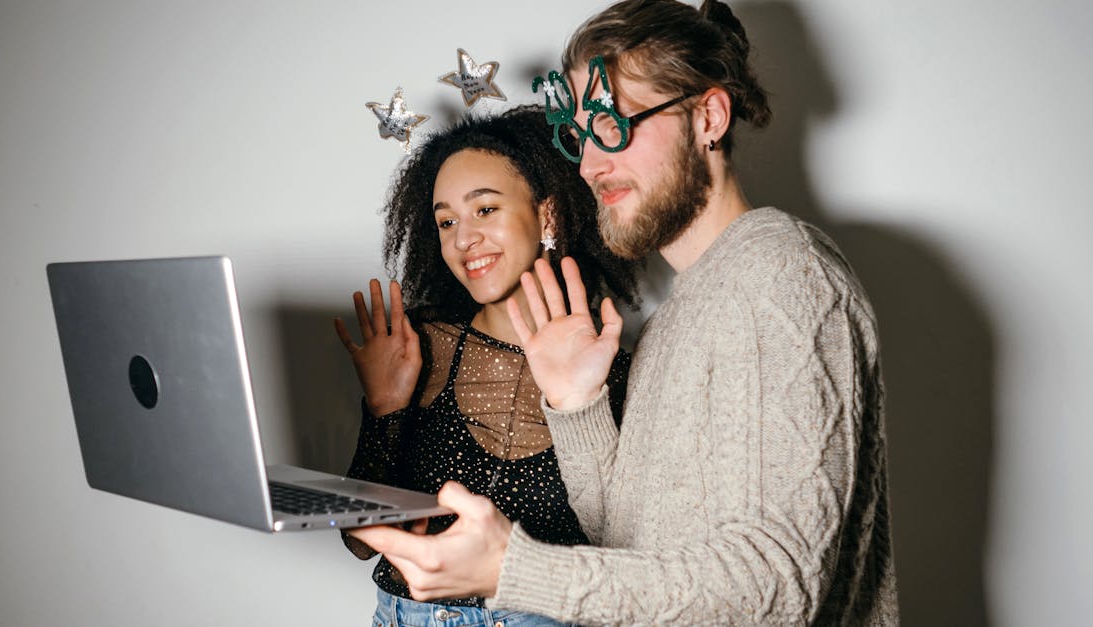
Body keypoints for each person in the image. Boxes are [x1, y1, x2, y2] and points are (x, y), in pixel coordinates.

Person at [350, 0, 900, 624]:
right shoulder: (678, 316)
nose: (589, 164)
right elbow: (624, 541)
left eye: (614, 125)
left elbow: (777, 592)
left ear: (709, 117)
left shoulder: (779, 275)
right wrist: (577, 407)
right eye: (582, 135)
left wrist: (513, 570)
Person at [335, 105, 642, 627]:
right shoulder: (420, 346)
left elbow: (628, 557)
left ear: (547, 215)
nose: (463, 239)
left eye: (485, 210)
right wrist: (384, 408)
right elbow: (359, 544)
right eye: (447, 221)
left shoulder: (616, 371)